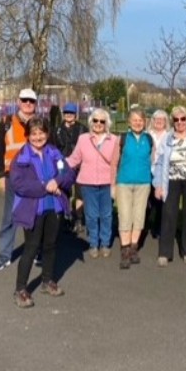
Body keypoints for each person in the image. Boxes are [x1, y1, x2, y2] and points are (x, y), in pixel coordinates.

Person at [9, 117, 76, 308]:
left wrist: (58, 181)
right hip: (33, 209)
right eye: (34, 133)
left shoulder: (54, 152)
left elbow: (68, 174)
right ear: (28, 136)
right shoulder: (22, 157)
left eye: (41, 133)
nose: (38, 137)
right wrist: (44, 186)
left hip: (53, 207)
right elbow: (18, 184)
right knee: (31, 248)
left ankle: (47, 281)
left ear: (47, 134)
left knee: (51, 245)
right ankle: (21, 289)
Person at [0, 87, 37, 271]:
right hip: (12, 176)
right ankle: (4, 254)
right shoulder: (7, 122)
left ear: (35, 104)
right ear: (18, 101)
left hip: (35, 177)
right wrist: (0, 175)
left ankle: (34, 251)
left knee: (35, 216)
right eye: (24, 100)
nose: (27, 104)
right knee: (9, 216)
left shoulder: (40, 123)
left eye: (31, 101)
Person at [153, 106, 186, 266]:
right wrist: (158, 185)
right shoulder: (167, 138)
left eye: (183, 119)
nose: (180, 122)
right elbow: (160, 162)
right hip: (171, 180)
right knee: (168, 215)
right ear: (172, 122)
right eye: (176, 120)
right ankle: (165, 253)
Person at [66, 108, 120, 259]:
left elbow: (115, 164)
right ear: (91, 122)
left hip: (106, 183)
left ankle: (105, 243)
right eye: (95, 120)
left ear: (107, 123)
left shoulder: (114, 140)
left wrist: (114, 184)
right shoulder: (83, 139)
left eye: (102, 121)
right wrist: (60, 163)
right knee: (91, 215)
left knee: (107, 215)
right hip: (87, 183)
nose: (98, 124)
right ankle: (93, 243)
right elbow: (75, 159)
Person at [116, 107, 153, 269]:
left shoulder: (149, 139)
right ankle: (124, 250)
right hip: (124, 182)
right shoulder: (122, 138)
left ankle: (133, 247)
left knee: (139, 217)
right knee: (125, 216)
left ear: (144, 122)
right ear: (129, 122)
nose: (137, 123)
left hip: (143, 183)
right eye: (134, 120)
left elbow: (152, 160)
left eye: (140, 120)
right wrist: (112, 183)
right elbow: (114, 163)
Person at [54, 102, 87, 232]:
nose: (69, 115)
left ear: (76, 115)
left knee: (80, 193)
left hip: (80, 165)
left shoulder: (82, 129)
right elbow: (54, 148)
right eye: (66, 113)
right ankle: (65, 217)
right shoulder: (57, 130)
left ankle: (78, 218)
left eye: (71, 113)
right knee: (64, 192)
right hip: (63, 165)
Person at [147, 109, 171, 239]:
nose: (159, 122)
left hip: (162, 172)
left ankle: (158, 227)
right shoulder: (147, 135)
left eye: (162, 120)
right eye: (157, 119)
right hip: (148, 171)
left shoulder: (169, 135)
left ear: (165, 122)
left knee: (161, 202)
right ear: (153, 121)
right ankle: (145, 226)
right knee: (148, 201)